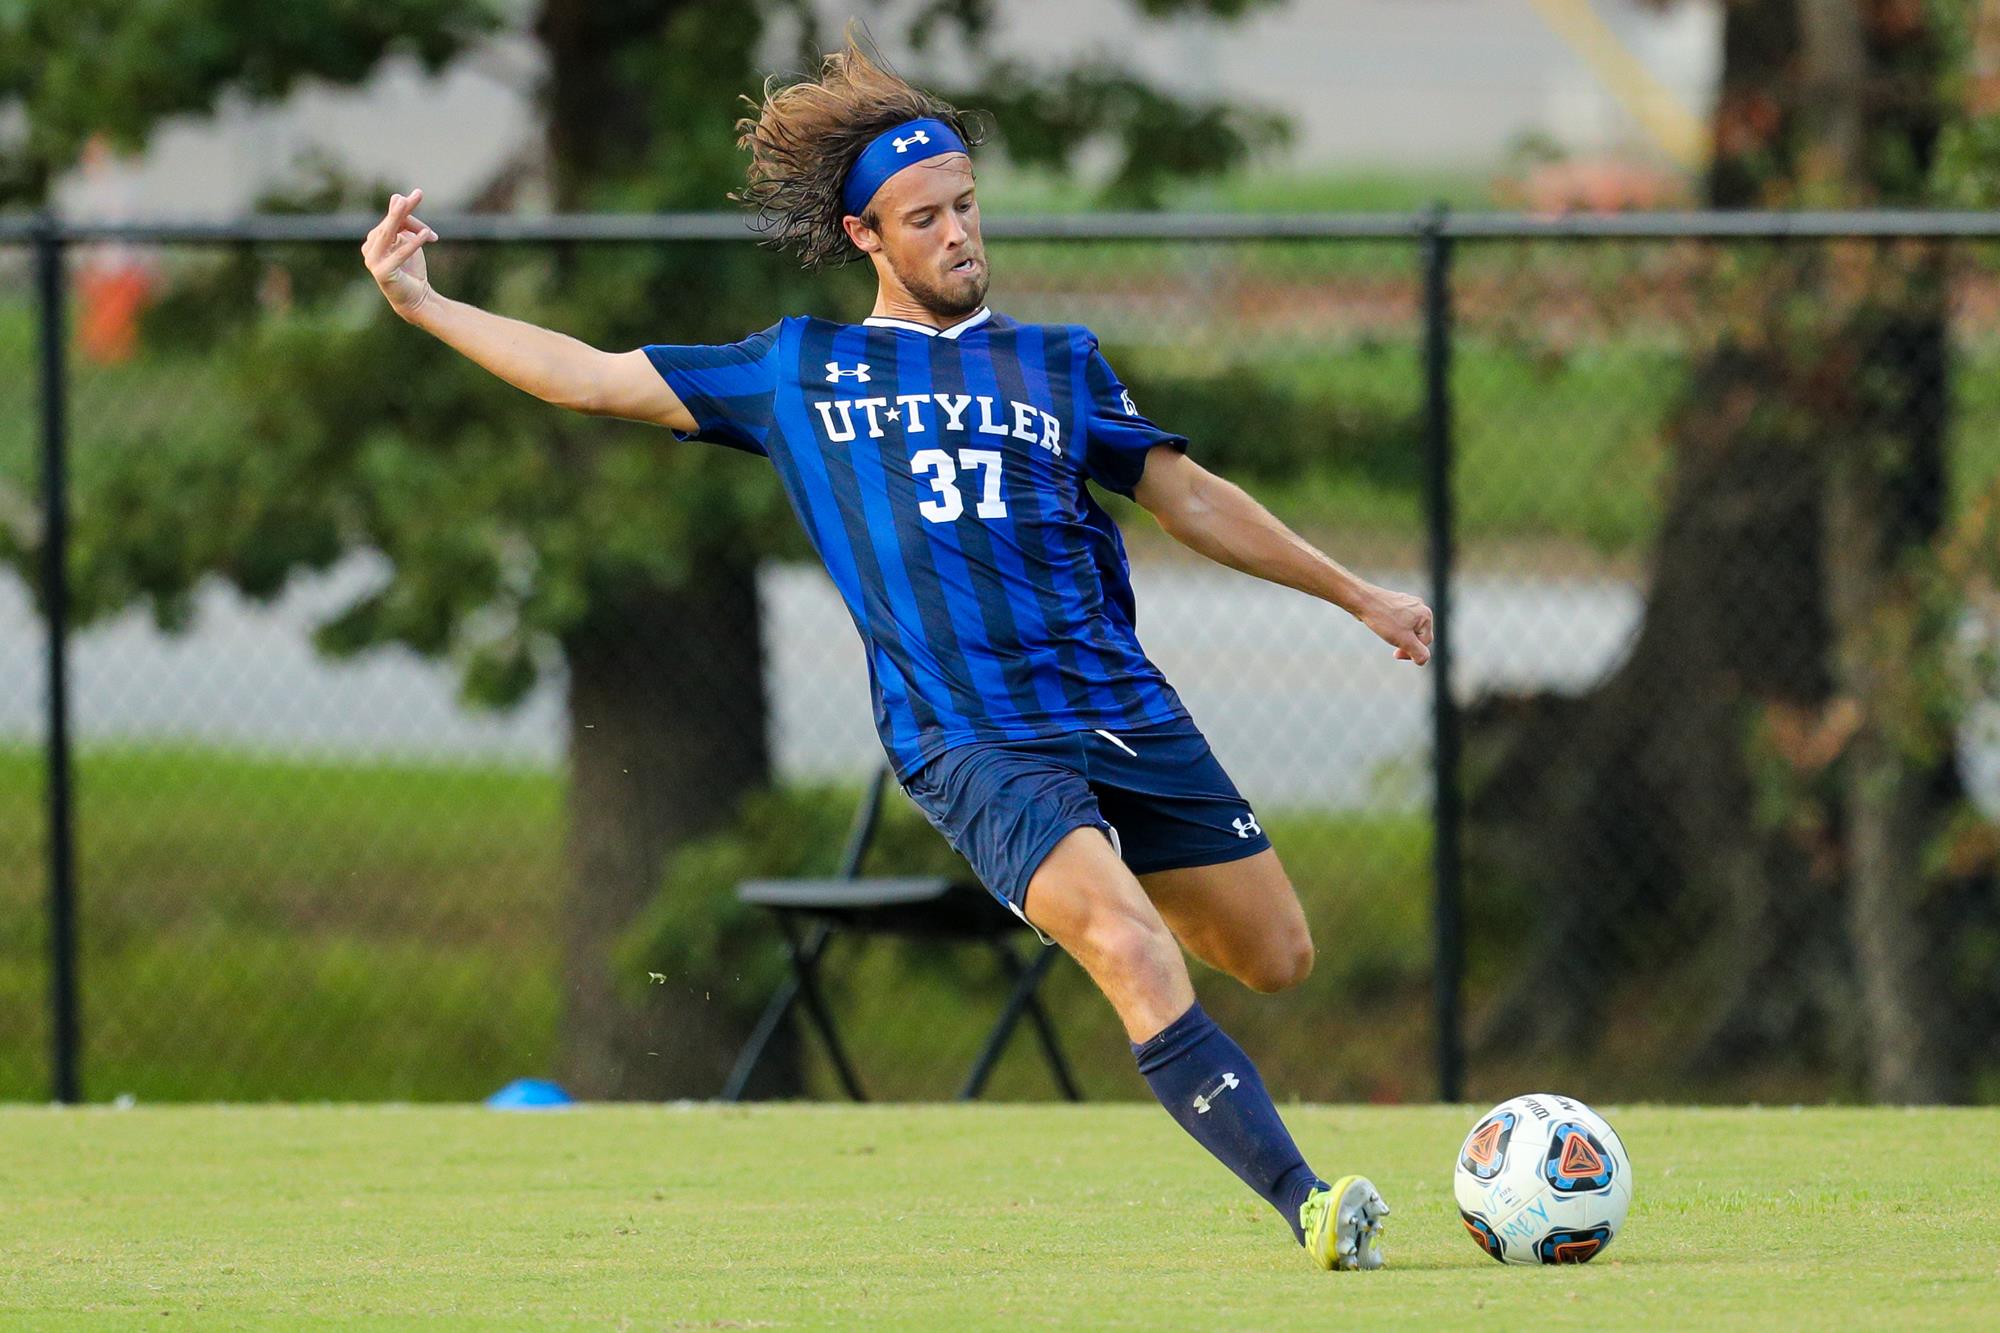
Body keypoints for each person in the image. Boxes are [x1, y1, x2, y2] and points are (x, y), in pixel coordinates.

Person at [361, 37, 1432, 1271]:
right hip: (967, 736)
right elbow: (593, 377)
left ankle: (1108, 897)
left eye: (967, 206)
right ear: (865, 236)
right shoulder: (798, 372)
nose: (959, 234)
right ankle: (1307, 1203)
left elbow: (1189, 501)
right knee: (1130, 948)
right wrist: (425, 303)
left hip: (1115, 706)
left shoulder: (1056, 361)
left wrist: (1353, 593)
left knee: (1275, 956)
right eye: (924, 217)